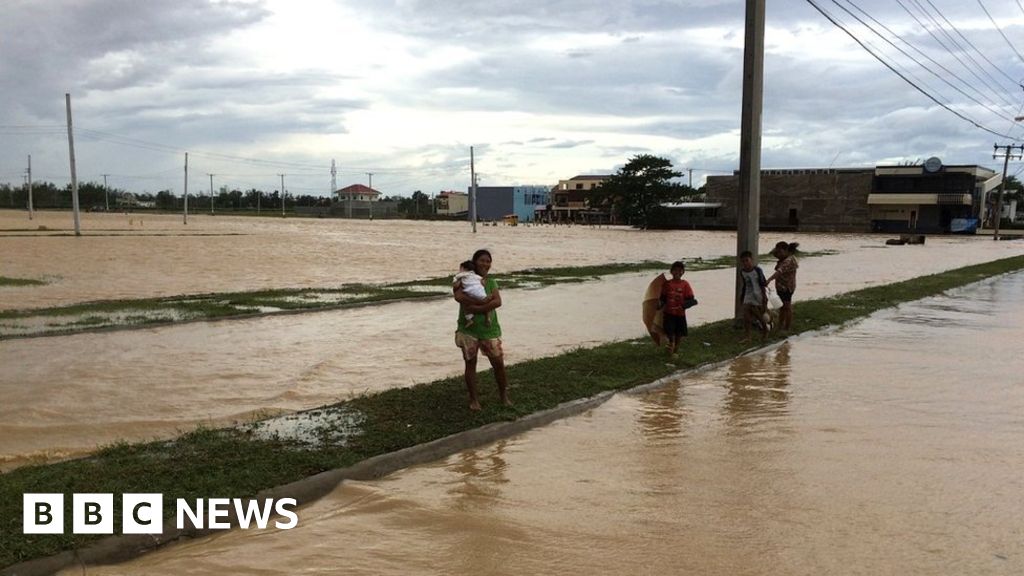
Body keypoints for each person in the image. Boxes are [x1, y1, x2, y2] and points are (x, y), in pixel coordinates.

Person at [453, 249, 510, 411]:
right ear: (474, 262)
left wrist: (476, 308)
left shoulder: (491, 282)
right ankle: (474, 400)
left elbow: (498, 302)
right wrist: (484, 304)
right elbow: (458, 297)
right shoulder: (464, 279)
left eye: (488, 261)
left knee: (498, 363)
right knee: (470, 364)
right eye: (482, 261)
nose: (485, 264)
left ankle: (504, 395)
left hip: (489, 330)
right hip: (468, 330)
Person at [659, 261, 697, 356]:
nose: (677, 272)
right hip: (668, 313)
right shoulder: (667, 284)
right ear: (671, 272)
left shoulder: (685, 284)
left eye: (680, 270)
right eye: (675, 270)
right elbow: (662, 298)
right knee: (669, 331)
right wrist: (659, 305)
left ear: (683, 272)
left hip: (680, 314)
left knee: (679, 334)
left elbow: (692, 299)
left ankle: (675, 350)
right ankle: (671, 345)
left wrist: (683, 306)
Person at [766, 241, 799, 333]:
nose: (778, 254)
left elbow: (779, 272)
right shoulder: (784, 258)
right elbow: (772, 253)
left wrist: (769, 280)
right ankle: (781, 326)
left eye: (780, 252)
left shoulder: (789, 261)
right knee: (782, 307)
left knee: (787, 307)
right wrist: (777, 251)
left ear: (786, 250)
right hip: (781, 286)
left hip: (787, 287)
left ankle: (786, 327)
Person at [452, 260, 494, 328]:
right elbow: (482, 282)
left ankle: (469, 319)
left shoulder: (461, 275)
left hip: (470, 293)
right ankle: (488, 317)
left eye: (460, 268)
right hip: (480, 293)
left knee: (466, 306)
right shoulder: (475, 275)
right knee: (487, 304)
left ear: (464, 268)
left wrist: (456, 282)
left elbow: (456, 286)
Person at [738, 250, 769, 342]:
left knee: (758, 315)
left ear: (751, 260)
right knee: (746, 315)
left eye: (747, 260)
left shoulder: (757, 270)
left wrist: (764, 298)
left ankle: (765, 329)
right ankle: (748, 336)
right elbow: (745, 285)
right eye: (743, 261)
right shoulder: (742, 272)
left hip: (758, 294)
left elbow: (763, 284)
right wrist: (742, 297)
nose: (745, 263)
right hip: (748, 295)